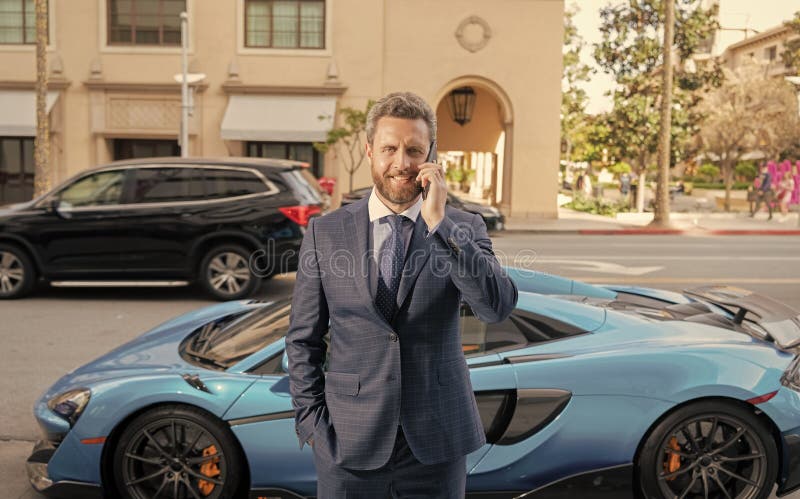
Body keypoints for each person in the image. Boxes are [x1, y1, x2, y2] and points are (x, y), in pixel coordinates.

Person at [286, 92, 518, 499]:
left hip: (436, 445)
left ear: (431, 155)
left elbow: (496, 306)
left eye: (414, 150)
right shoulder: (326, 232)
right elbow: (302, 340)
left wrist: (440, 225)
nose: (401, 162)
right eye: (390, 148)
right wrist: (313, 424)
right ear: (370, 151)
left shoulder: (463, 226)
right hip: (347, 445)